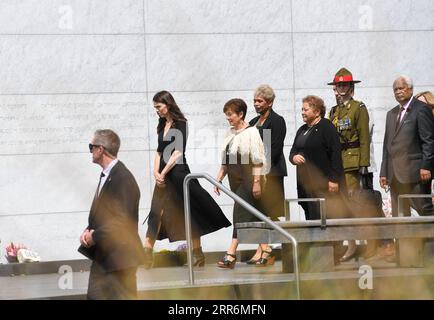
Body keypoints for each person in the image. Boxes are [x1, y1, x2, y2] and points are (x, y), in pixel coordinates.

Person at [143, 91, 231, 268]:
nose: (157, 111)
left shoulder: (181, 124)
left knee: (190, 211)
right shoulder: (161, 125)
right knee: (156, 211)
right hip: (162, 176)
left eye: (158, 107)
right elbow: (159, 152)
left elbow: (178, 152)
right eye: (155, 108)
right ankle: (146, 252)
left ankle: (198, 253)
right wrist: (156, 172)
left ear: (167, 104)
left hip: (178, 173)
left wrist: (164, 172)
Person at [79, 129, 145, 300]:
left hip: (120, 259)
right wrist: (88, 231)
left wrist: (95, 236)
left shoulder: (123, 178)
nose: (90, 151)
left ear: (100, 149)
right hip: (105, 256)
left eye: (91, 147)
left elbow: (122, 221)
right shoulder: (108, 175)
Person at [214, 98, 268, 268]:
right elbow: (225, 161)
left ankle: (231, 254)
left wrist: (257, 182)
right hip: (234, 180)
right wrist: (218, 179)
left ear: (241, 114)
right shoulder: (230, 134)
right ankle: (266, 250)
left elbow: (258, 160)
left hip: (249, 179)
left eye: (230, 114)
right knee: (253, 214)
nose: (228, 118)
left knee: (239, 214)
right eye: (227, 115)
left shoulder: (252, 132)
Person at [328, 67, 371, 262]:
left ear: (351, 87)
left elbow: (364, 137)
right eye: (338, 85)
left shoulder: (358, 108)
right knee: (342, 206)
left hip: (352, 162)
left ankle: (370, 243)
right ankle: (351, 244)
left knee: (354, 204)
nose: (341, 88)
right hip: (338, 163)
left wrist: (364, 164)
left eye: (344, 84)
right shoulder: (334, 110)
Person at [380, 76, 434, 216]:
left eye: (401, 88)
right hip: (394, 175)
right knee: (399, 214)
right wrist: (384, 172)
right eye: (395, 89)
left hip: (415, 173)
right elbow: (387, 145)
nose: (398, 92)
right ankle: (402, 239)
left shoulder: (421, 109)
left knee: (424, 209)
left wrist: (426, 166)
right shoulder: (391, 114)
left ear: (410, 89)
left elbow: (428, 141)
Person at [246, 84, 287, 264]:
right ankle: (262, 249)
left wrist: (261, 173)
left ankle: (275, 246)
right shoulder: (254, 122)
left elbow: (273, 150)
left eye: (260, 101)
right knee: (259, 211)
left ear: (269, 103)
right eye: (255, 101)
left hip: (271, 173)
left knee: (269, 211)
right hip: (257, 172)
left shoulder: (277, 121)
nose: (256, 104)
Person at [289, 95, 347, 221]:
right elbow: (293, 151)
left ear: (317, 112)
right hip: (306, 185)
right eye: (302, 110)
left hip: (323, 183)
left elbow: (336, 154)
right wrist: (294, 157)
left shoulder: (326, 127)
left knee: (325, 217)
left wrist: (334, 179)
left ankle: (330, 241)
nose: (302, 112)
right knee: (311, 217)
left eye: (305, 110)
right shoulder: (302, 130)